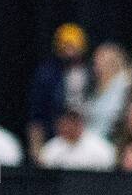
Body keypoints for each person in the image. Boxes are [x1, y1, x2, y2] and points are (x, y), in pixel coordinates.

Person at [27, 23, 91, 163]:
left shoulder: (92, 73)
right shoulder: (47, 75)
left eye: (73, 46)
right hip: (55, 137)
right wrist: (36, 148)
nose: (69, 51)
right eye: (65, 46)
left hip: (88, 135)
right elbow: (37, 116)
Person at [39, 108, 117, 171]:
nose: (68, 128)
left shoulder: (101, 149)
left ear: (80, 124)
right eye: (65, 124)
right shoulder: (51, 149)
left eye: (73, 123)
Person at [84, 43, 131, 140]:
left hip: (112, 139)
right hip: (92, 138)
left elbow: (112, 115)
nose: (95, 64)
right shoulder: (97, 87)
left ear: (111, 62)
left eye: (99, 60)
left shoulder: (124, 83)